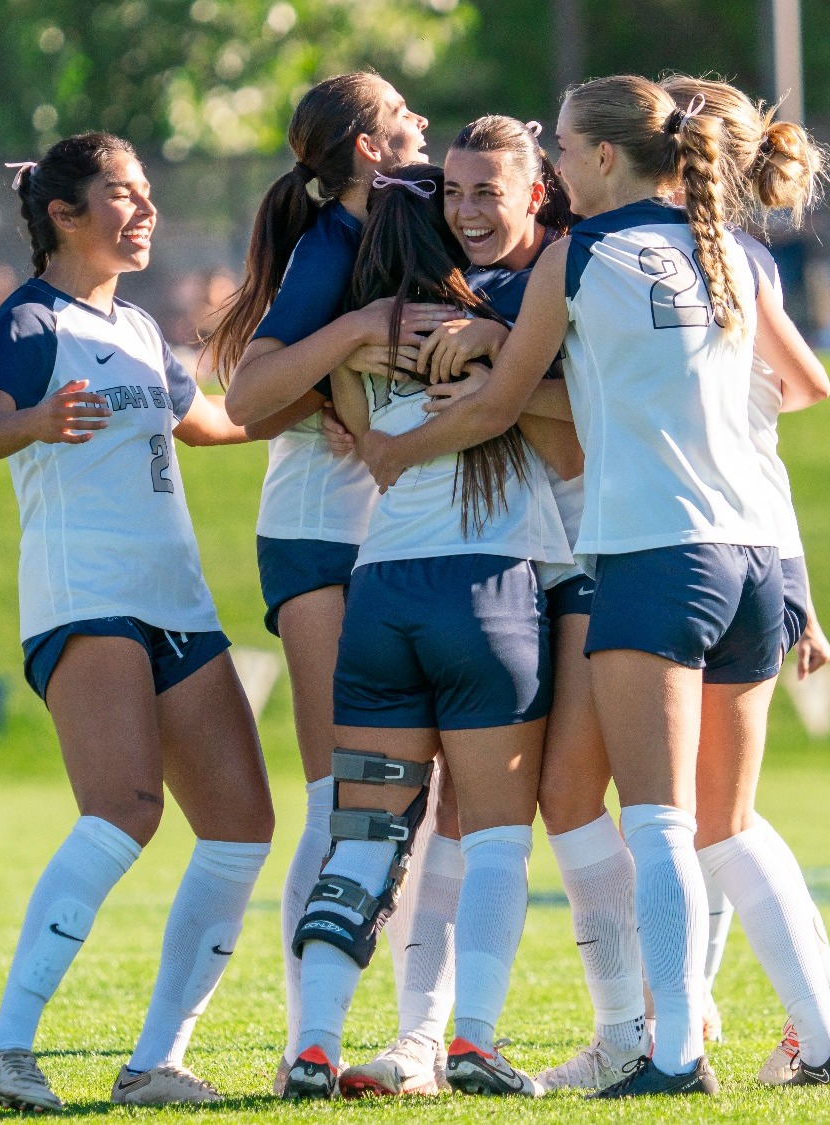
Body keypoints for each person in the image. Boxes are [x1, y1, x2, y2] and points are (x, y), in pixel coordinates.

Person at [359, 74, 830, 1097]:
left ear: (594, 160)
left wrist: (398, 449)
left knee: (661, 824)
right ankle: (821, 1039)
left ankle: (668, 1056)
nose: (553, 163)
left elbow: (496, 407)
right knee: (726, 824)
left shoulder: (576, 256)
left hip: (652, 559)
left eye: (563, 145)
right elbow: (802, 389)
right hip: (756, 558)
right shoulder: (735, 249)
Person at [0, 132, 275, 1111]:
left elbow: (212, 422)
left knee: (241, 825)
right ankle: (3, 1051)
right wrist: (37, 421)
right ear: (63, 213)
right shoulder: (32, 318)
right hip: (84, 593)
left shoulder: (136, 327)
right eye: (121, 195)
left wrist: (318, 395)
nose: (143, 212)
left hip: (173, 597)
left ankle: (155, 1063)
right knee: (126, 813)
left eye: (146, 195)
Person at [279, 162, 575, 1100]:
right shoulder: (494, 331)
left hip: (378, 592)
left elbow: (375, 456)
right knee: (493, 837)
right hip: (487, 588)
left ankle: (315, 1044)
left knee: (363, 835)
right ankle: (471, 1041)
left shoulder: (354, 349)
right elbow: (568, 443)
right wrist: (499, 358)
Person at [195, 72, 453, 1089]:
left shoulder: (412, 231)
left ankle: (411, 1041)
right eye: (402, 117)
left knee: (414, 803)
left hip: (402, 532)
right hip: (321, 537)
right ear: (364, 151)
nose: (422, 124)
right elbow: (248, 396)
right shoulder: (331, 247)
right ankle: (314, 1043)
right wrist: (351, 335)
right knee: (346, 799)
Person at [659, 73, 830, 1091]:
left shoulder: (684, 257)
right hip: (752, 547)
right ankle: (703, 1017)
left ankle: (811, 1007)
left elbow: (794, 395)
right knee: (698, 815)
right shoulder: (736, 255)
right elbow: (785, 405)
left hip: (707, 545)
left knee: (702, 817)